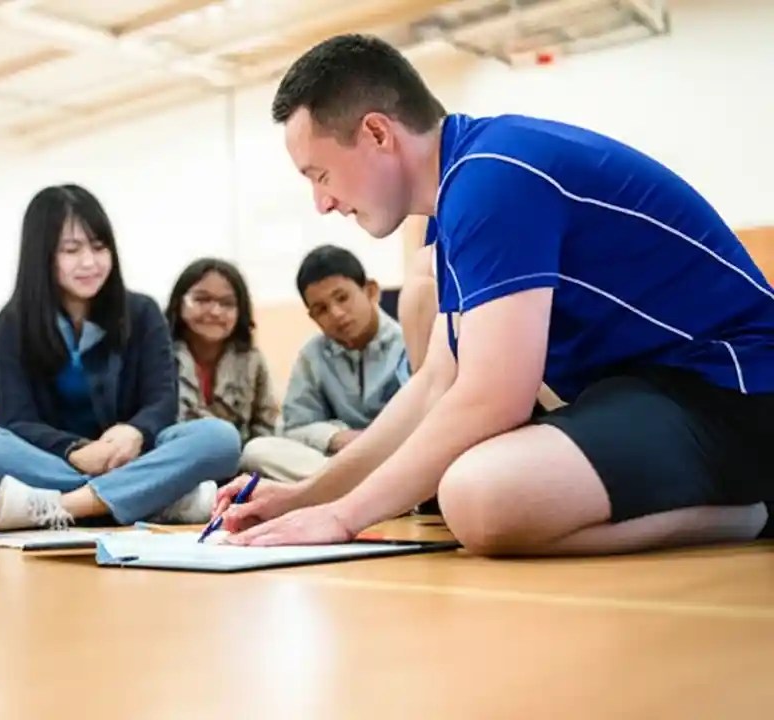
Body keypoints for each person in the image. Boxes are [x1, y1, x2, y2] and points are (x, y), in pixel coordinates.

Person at [216, 34, 774, 555]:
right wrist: (307, 497)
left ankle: (756, 510)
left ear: (378, 134)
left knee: (480, 494)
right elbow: (438, 380)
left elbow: (496, 395)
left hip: (734, 392)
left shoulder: (494, 176)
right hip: (652, 394)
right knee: (473, 490)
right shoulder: (457, 196)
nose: (322, 203)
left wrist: (344, 518)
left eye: (321, 175)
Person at [0, 184, 241, 531]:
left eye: (99, 247)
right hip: (57, 458)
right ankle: (154, 499)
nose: (89, 262)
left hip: (135, 453)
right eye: (71, 250)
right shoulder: (14, 322)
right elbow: (16, 419)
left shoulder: (142, 312)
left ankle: (68, 505)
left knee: (220, 437)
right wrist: (74, 450)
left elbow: (162, 401)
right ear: (41, 255)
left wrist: (135, 431)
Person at [240, 245, 409, 483]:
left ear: (370, 291)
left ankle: (351, 490)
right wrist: (337, 437)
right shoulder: (312, 356)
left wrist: (374, 441)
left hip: (400, 458)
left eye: (342, 298)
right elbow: (294, 427)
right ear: (312, 317)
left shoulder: (409, 342)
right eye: (321, 310)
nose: (337, 313)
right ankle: (366, 490)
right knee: (256, 451)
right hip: (338, 462)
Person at [166, 258, 279, 443]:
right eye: (202, 299)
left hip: (239, 461)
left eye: (227, 303)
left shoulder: (251, 360)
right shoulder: (159, 354)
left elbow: (266, 425)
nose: (215, 312)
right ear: (179, 304)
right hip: (177, 455)